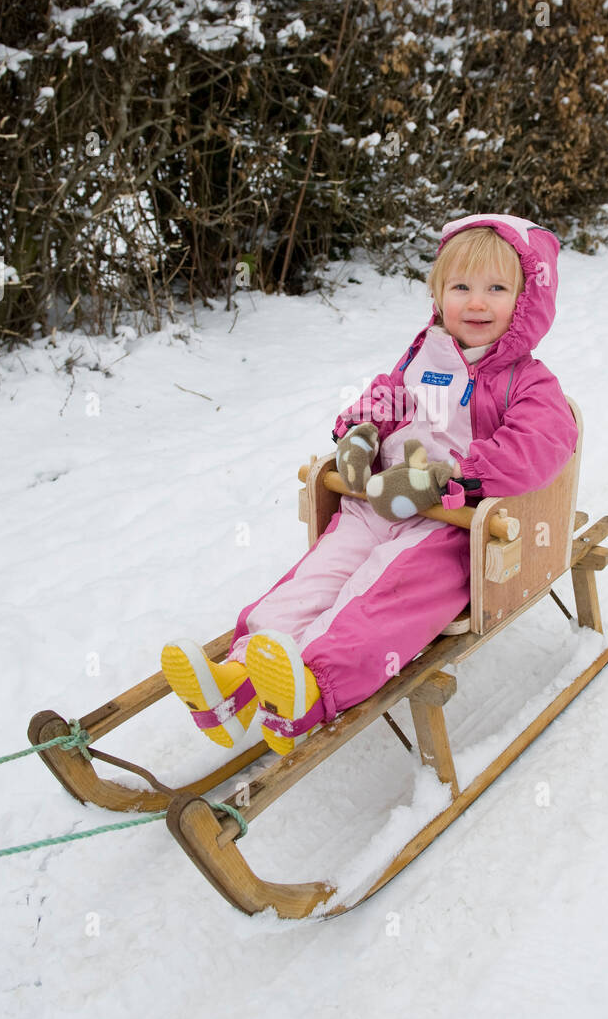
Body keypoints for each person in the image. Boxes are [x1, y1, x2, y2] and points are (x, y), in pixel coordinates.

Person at [161, 214, 579, 757]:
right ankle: (236, 681)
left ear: (525, 301)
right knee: (319, 573)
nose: (477, 303)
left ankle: (310, 687)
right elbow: (388, 396)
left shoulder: (528, 383)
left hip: (449, 525)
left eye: (497, 289)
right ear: (438, 293)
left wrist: (448, 477)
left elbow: (535, 451)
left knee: (377, 593)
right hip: (378, 502)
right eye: (461, 287)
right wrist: (359, 433)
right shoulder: (427, 355)